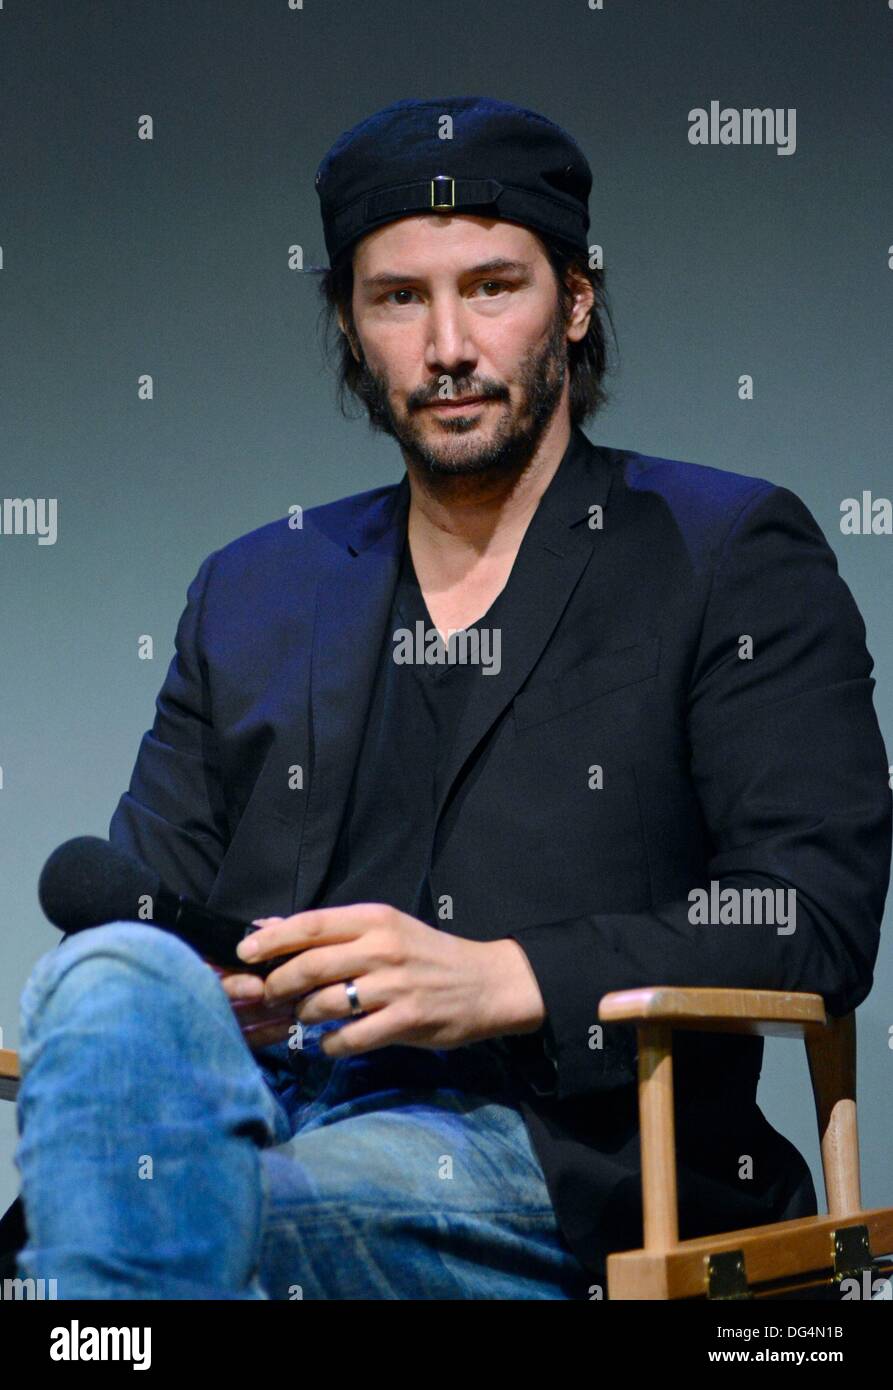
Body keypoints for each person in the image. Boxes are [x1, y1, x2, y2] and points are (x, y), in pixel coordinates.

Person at [11, 96, 892, 1299]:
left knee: (180, 1235)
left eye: (491, 286)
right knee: (100, 981)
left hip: (550, 1151)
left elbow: (810, 909)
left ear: (573, 302)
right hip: (258, 1110)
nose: (446, 346)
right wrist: (205, 988)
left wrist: (502, 977)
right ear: (348, 322)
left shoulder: (724, 551)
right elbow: (143, 894)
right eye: (396, 298)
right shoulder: (257, 584)